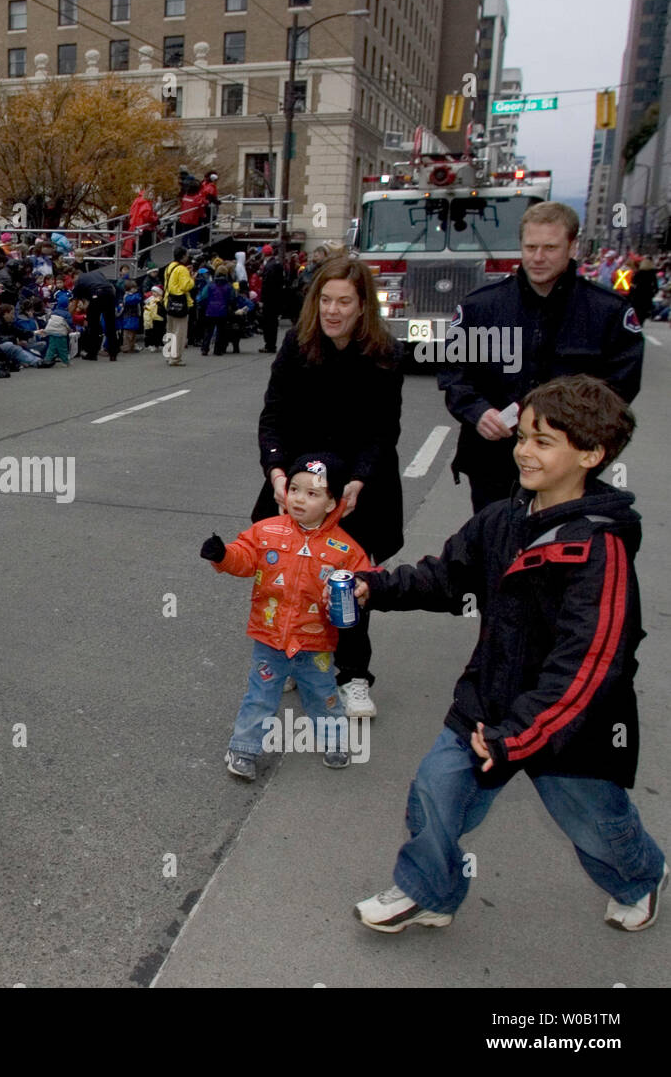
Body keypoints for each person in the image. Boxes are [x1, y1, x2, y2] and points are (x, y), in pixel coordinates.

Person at [353, 375, 667, 934]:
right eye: (522, 436)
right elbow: (447, 577)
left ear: (592, 455)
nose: (523, 450)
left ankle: (640, 875)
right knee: (435, 792)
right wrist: (374, 587)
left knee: (595, 823)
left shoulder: (600, 550)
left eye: (544, 441)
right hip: (488, 701)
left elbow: (589, 665)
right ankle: (431, 891)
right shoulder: (504, 518)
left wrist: (519, 736)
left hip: (571, 726)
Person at [254, 255, 403, 720]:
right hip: (297, 481)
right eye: (325, 300)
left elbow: (383, 432)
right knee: (290, 577)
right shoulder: (297, 347)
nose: (333, 310)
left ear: (363, 308)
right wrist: (277, 474)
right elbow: (273, 417)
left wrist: (357, 481)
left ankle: (353, 675)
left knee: (347, 583)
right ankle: (299, 655)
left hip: (358, 484)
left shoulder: (385, 354)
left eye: (344, 301)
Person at [439, 202, 643, 514]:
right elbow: (454, 375)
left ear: (572, 247)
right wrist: (478, 412)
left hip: (569, 467)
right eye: (530, 246)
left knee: (558, 555)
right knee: (494, 553)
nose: (537, 257)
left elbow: (618, 391)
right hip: (493, 464)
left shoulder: (609, 312)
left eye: (550, 247)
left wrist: (568, 433)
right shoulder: (480, 308)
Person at [201, 454, 371, 779]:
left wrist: (362, 589)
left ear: (332, 501)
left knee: (324, 696)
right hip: (270, 637)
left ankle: (335, 741)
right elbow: (245, 558)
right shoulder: (267, 531)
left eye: (312, 493)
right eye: (294, 489)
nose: (299, 499)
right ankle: (243, 750)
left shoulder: (345, 548)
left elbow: (363, 577)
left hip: (316, 641)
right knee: (260, 696)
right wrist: (223, 556)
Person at [72, 267, 117, 361]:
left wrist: (69, 314)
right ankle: (113, 353)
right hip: (110, 292)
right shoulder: (97, 273)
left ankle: (92, 353)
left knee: (93, 325)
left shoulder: (79, 281)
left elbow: (75, 302)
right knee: (111, 324)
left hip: (97, 294)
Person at [162, 247, 194, 366]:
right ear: (183, 256)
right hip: (180, 302)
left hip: (169, 301)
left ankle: (168, 354)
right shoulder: (182, 269)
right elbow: (186, 286)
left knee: (170, 330)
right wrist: (191, 278)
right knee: (179, 332)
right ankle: (175, 358)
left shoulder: (169, 267)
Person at [257, 245, 285, 352]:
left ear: (264, 254)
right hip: (277, 299)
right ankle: (272, 344)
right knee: (273, 323)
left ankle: (269, 345)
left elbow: (266, 285)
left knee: (268, 323)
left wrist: (262, 300)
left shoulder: (268, 267)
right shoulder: (278, 265)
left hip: (269, 300)